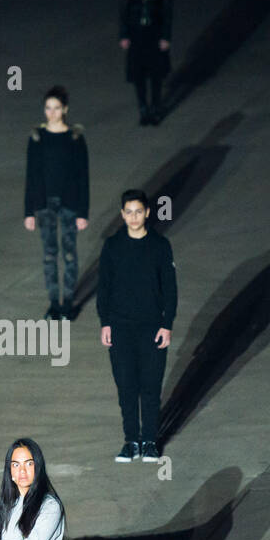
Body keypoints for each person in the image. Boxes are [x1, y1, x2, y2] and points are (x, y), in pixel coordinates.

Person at [98, 190, 176, 463]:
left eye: (138, 211)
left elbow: (170, 289)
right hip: (120, 327)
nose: (133, 217)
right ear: (122, 214)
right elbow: (103, 288)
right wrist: (105, 323)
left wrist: (167, 325)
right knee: (127, 387)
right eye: (128, 212)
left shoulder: (160, 246)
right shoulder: (112, 246)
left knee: (151, 386)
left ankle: (150, 441)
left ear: (147, 213)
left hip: (152, 327)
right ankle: (131, 441)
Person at [23, 86, 89, 320]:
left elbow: (83, 175)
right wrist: (28, 212)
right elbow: (31, 175)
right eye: (48, 108)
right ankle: (54, 303)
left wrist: (84, 212)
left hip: (70, 202)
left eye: (56, 108)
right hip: (44, 203)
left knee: (69, 254)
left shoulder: (75, 138)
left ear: (65, 109)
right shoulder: (37, 138)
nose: (51, 113)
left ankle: (68, 302)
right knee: (50, 254)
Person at [119, 0, 172, 125]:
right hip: (136, 34)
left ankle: (155, 107)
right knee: (138, 75)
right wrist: (124, 34)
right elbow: (124, 11)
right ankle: (143, 108)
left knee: (156, 74)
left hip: (154, 33)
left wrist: (165, 36)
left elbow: (167, 12)